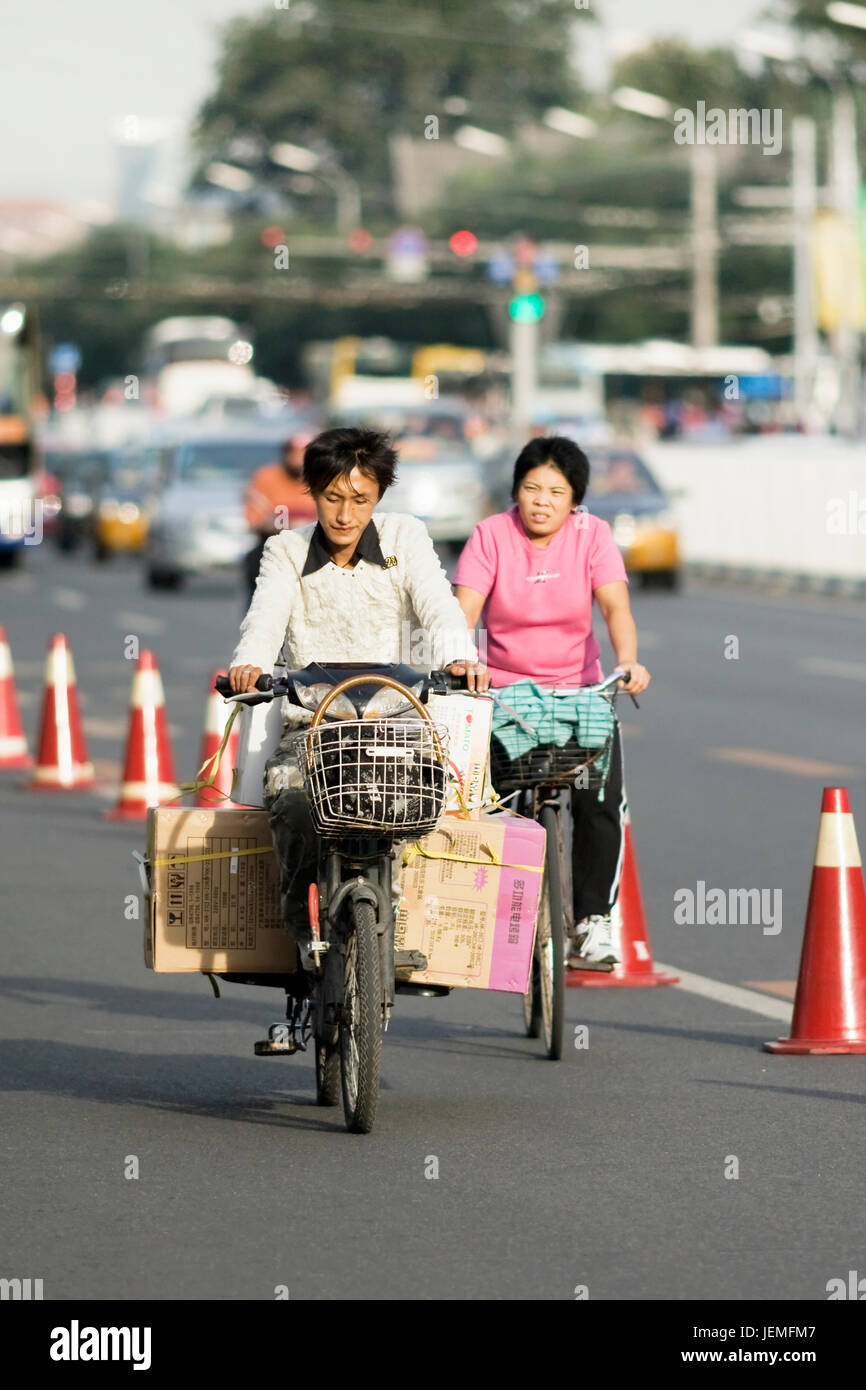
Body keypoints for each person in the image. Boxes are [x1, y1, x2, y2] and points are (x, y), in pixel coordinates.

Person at [227, 425, 486, 969]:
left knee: (424, 798)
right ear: (313, 493)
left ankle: (390, 906)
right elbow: (265, 618)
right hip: (312, 725)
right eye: (332, 498)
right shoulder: (284, 550)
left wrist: (459, 656)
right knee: (293, 799)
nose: (345, 515)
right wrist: (248, 665)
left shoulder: (405, 538)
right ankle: (298, 911)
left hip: (395, 723)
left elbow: (439, 606)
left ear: (380, 497)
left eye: (360, 500)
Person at [453, 435, 651, 969]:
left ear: (575, 499)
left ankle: (593, 923)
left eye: (556, 491)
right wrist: (456, 661)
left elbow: (615, 608)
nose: (541, 500)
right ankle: (469, 911)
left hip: (578, 694)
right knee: (471, 798)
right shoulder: (490, 535)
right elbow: (462, 613)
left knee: (601, 798)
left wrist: (628, 660)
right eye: (531, 488)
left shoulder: (594, 536)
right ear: (515, 491)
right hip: (503, 697)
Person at [242, 429, 320, 601]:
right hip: (276, 547)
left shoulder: (324, 480)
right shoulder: (267, 477)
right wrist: (290, 525)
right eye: (294, 453)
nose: (299, 460)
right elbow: (256, 522)